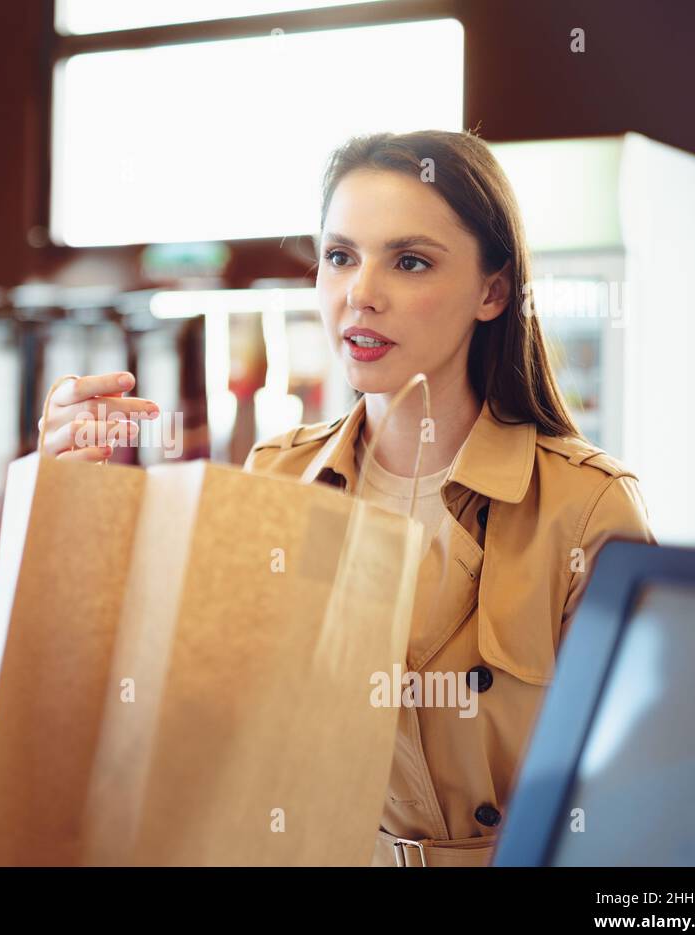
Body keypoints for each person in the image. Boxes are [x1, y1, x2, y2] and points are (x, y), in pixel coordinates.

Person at [40, 129, 655, 867]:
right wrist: (76, 508)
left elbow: (644, 808)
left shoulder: (587, 509)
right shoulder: (276, 479)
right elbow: (173, 726)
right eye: (340, 257)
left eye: (409, 261)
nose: (360, 294)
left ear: (492, 291)